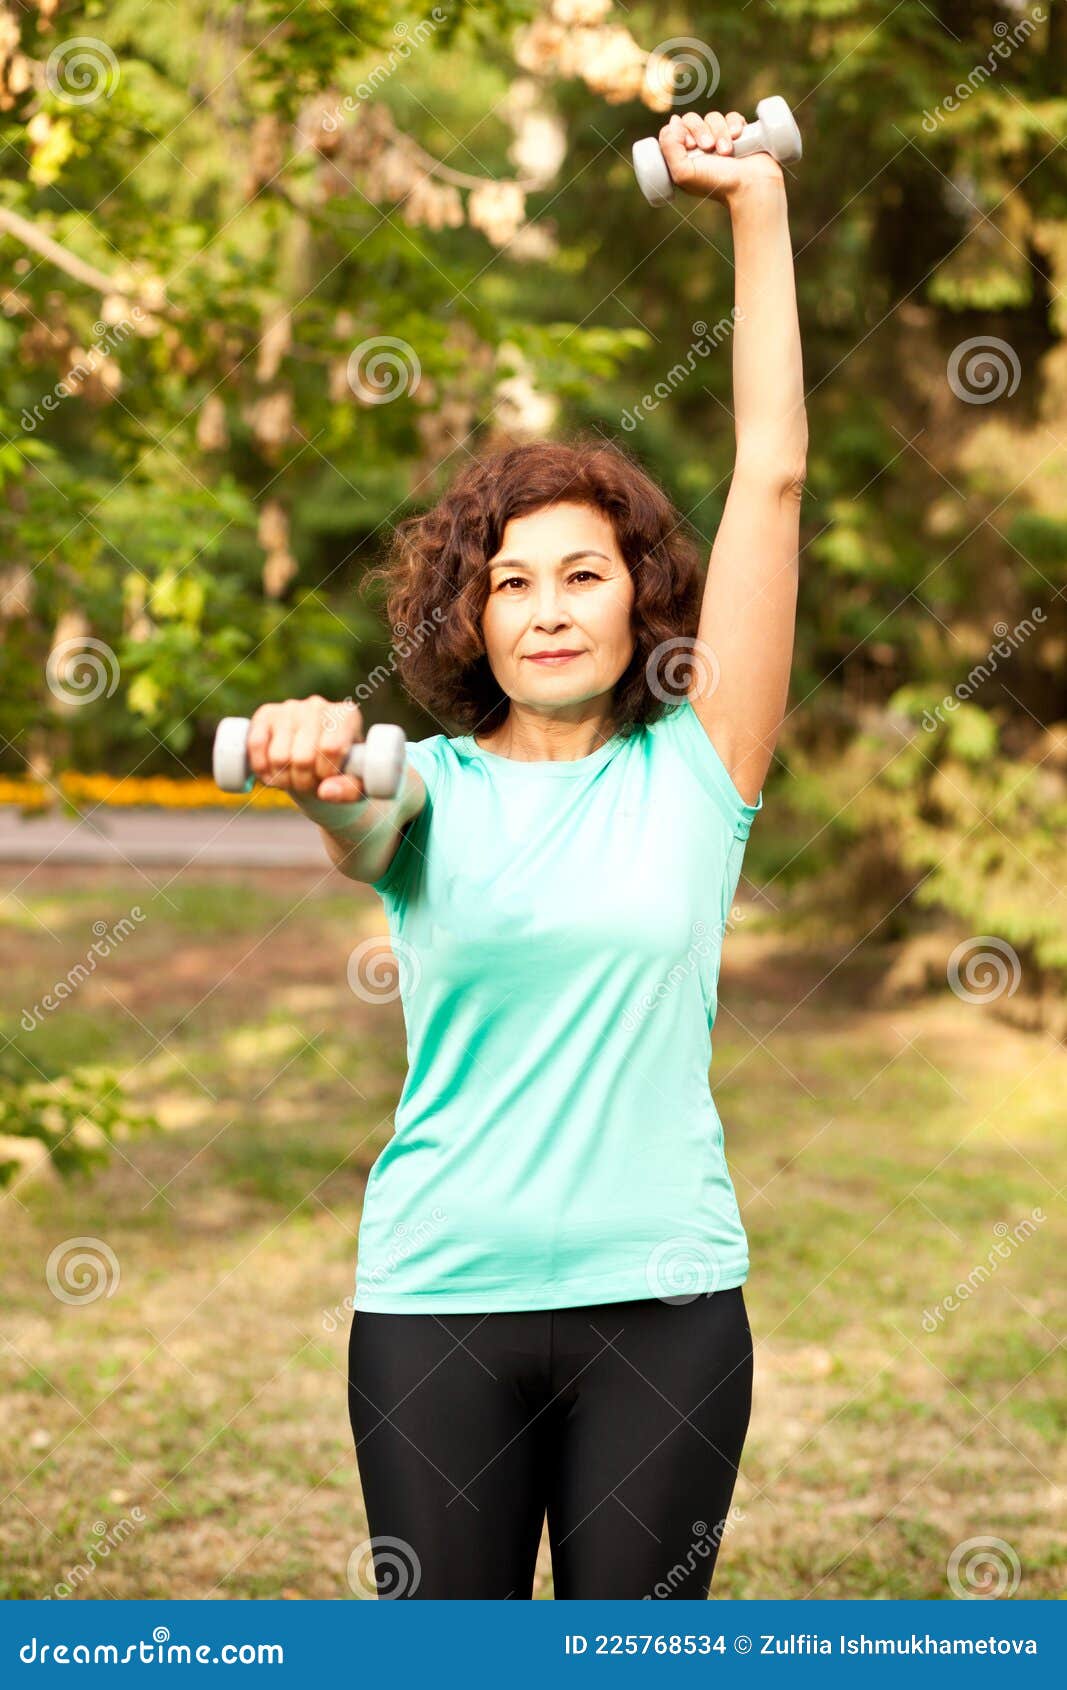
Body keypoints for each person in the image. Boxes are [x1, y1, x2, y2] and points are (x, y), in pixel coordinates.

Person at [246, 108, 805, 1599]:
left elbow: (772, 476)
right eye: (512, 580)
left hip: (670, 1309)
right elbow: (358, 821)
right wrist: (315, 773)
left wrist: (754, 203)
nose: (548, 605)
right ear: (473, 618)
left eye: (583, 573)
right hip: (436, 1308)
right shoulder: (421, 786)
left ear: (639, 601)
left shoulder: (702, 767)